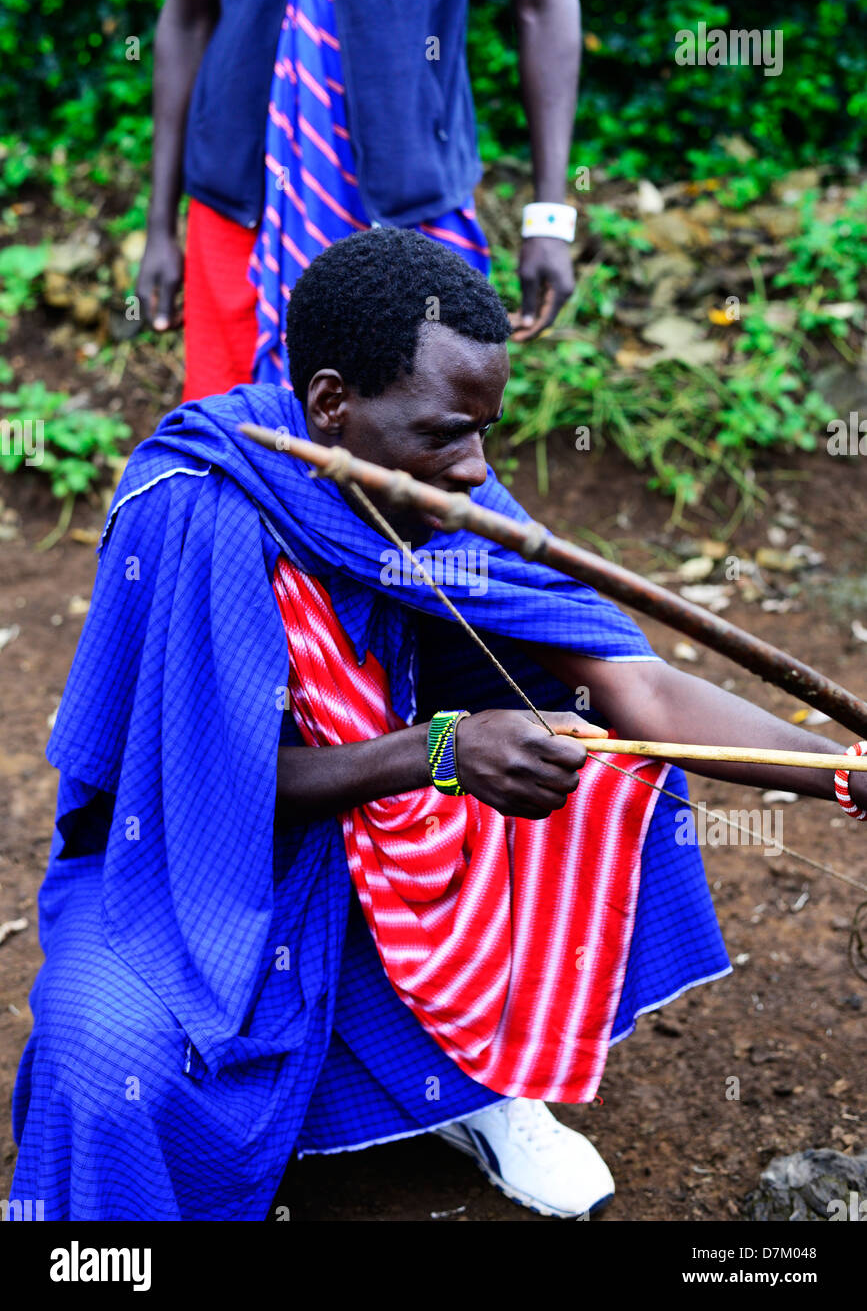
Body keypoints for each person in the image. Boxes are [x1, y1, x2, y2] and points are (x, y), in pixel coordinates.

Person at [11, 230, 865, 1222]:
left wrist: (845, 767)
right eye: (446, 434)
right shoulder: (194, 505)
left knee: (609, 760)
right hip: (188, 873)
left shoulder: (444, 486)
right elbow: (203, 783)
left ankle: (480, 1078)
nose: (474, 468)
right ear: (331, 404)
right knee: (100, 1068)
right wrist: (442, 751)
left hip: (384, 845)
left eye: (486, 432)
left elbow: (647, 693)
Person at [137, 0, 581, 401]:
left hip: (409, 214)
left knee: (415, 433)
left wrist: (549, 220)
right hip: (240, 208)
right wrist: (159, 226)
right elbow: (188, 12)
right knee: (235, 443)